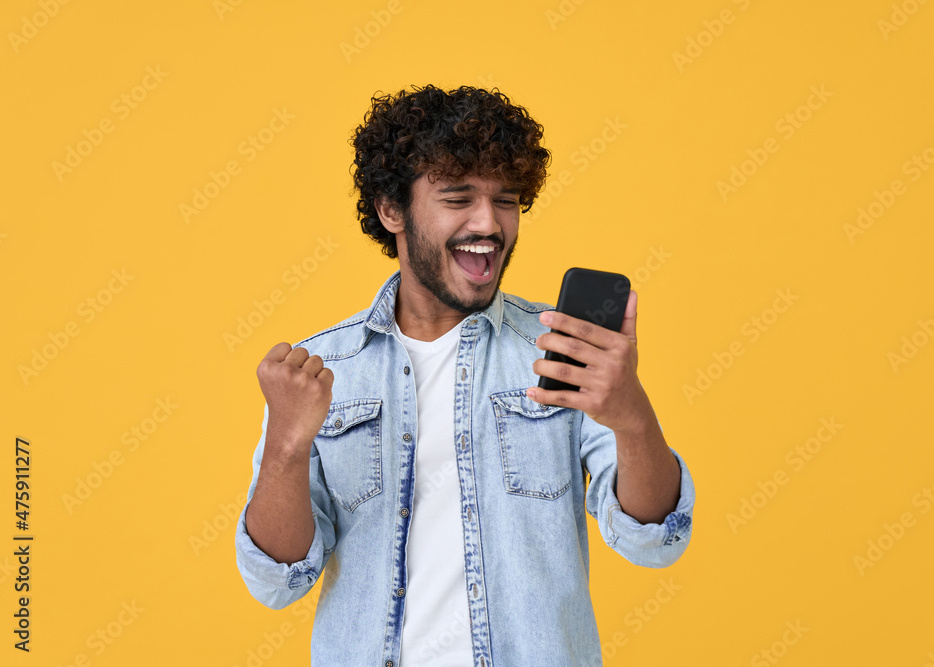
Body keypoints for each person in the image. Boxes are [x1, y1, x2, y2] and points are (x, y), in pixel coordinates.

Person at [235, 83, 695, 666]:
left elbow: (653, 540)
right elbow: (277, 582)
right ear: (391, 209)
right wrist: (286, 444)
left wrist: (631, 417)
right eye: (458, 198)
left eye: (507, 199)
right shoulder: (326, 371)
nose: (490, 223)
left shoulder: (562, 349)